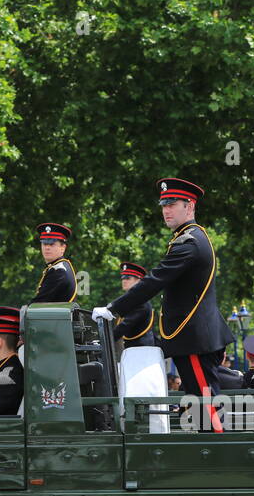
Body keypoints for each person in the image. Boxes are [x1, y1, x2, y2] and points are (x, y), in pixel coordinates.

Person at [94, 177, 232, 419]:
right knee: (195, 407)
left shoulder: (190, 242)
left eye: (172, 204)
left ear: (189, 206)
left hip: (195, 340)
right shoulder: (187, 237)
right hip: (190, 339)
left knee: (206, 408)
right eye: (164, 205)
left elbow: (155, 280)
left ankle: (214, 454)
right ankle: (200, 452)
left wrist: (114, 308)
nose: (166, 210)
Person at [31, 223, 77, 305]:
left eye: (52, 244)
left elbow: (37, 305)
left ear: (63, 248)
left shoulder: (59, 271)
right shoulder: (59, 266)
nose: (47, 247)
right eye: (44, 244)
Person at [113, 262, 155, 348]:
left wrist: (106, 339)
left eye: (128, 278)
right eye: (122, 278)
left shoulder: (141, 302)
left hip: (142, 351)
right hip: (134, 349)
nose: (124, 281)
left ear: (139, 280)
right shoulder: (132, 302)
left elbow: (125, 325)